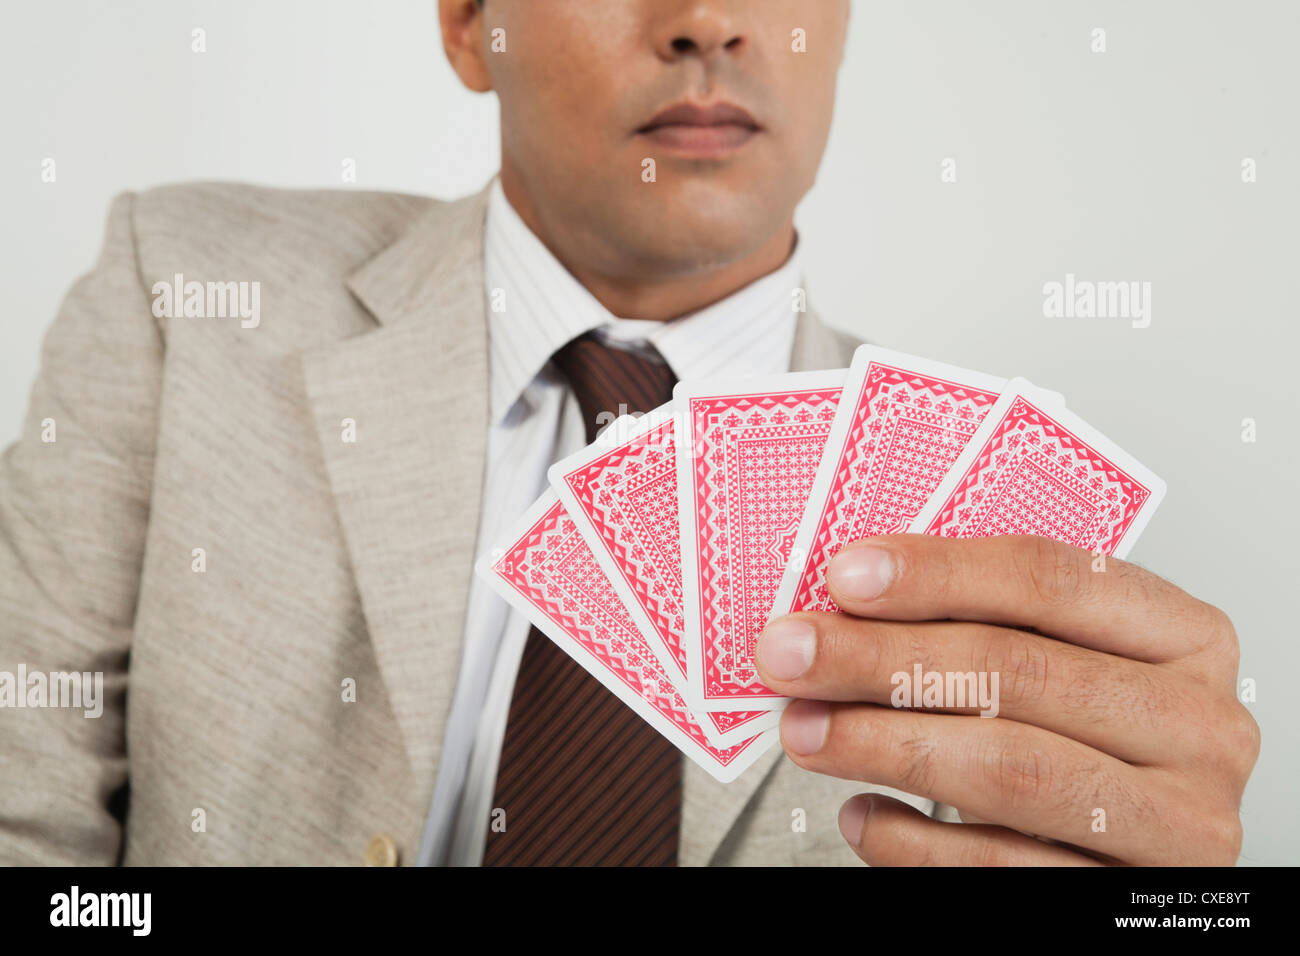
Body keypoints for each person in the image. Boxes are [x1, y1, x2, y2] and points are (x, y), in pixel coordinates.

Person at [0, 0, 1256, 866]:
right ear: (466, 23)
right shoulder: (183, 293)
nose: (705, 18)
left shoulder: (985, 523)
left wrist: (1179, 904)